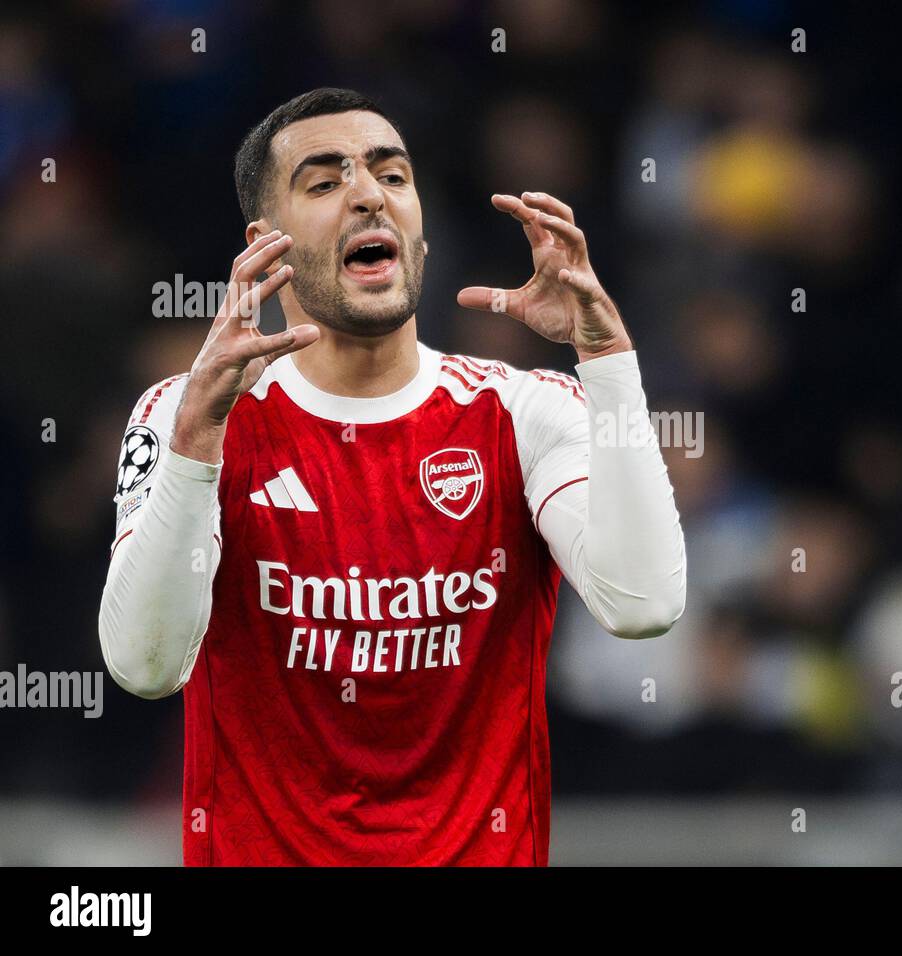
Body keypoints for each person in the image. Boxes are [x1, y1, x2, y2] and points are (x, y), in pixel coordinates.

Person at [98, 88, 686, 866]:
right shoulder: (192, 413)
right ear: (265, 241)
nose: (369, 195)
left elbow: (644, 605)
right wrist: (197, 442)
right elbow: (144, 665)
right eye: (324, 181)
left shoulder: (525, 412)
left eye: (392, 176)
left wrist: (609, 361)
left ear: (420, 232)